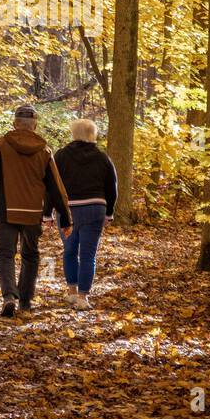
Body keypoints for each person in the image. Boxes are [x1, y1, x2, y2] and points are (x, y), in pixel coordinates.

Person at [0, 104, 71, 318]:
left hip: (5, 208)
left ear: (15, 124)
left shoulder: (2, 145)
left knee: (5, 253)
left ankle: (8, 297)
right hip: (32, 210)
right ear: (35, 126)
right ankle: (25, 303)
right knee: (30, 255)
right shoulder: (44, 151)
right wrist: (65, 216)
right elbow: (55, 186)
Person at [52, 118, 117, 309]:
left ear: (74, 134)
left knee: (70, 251)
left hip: (68, 212)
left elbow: (52, 185)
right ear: (92, 134)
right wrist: (110, 212)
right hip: (95, 209)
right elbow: (112, 187)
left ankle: (71, 292)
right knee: (88, 255)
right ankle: (83, 298)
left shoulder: (61, 156)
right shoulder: (103, 157)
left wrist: (47, 212)